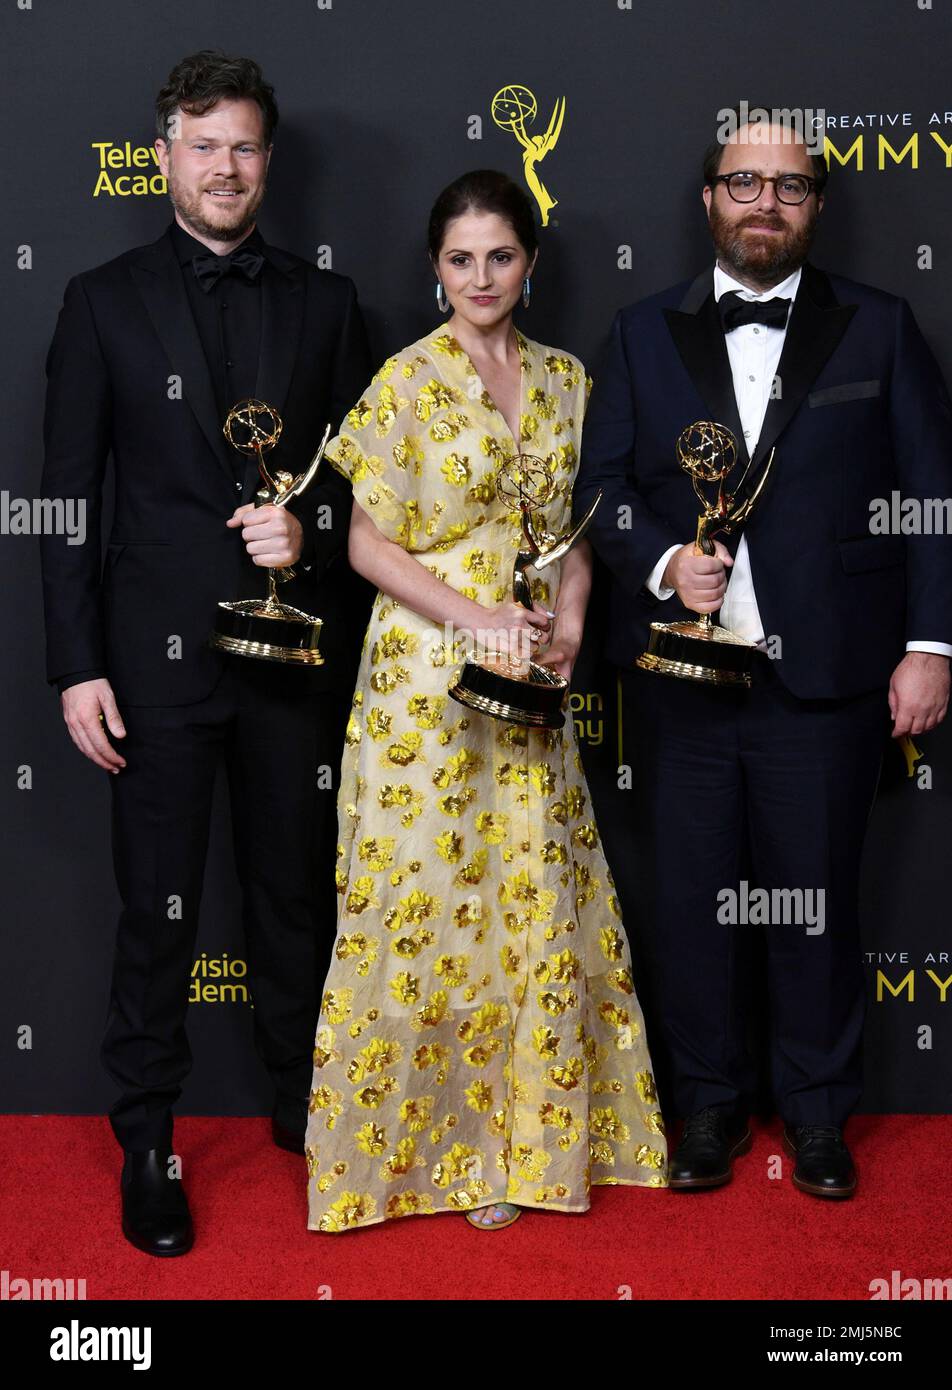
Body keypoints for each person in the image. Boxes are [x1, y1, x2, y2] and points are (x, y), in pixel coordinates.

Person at [573, 106, 952, 1199]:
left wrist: (930, 644)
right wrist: (659, 568)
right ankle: (707, 1111)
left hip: (827, 678)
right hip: (684, 685)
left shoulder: (880, 326)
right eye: (744, 184)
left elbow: (931, 497)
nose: (764, 205)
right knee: (692, 907)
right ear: (708, 199)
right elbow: (599, 490)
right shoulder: (642, 332)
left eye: (787, 187)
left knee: (815, 905)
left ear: (816, 205)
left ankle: (822, 1119)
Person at [39, 50, 373, 1256]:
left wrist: (311, 533)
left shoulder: (328, 306)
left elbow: (364, 497)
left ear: (266, 162)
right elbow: (69, 499)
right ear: (164, 155)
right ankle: (149, 1139)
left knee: (293, 897)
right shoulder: (101, 299)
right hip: (150, 669)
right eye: (202, 144)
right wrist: (76, 664)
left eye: (244, 146)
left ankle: (303, 1109)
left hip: (292, 662)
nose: (224, 166)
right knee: (156, 914)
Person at [303, 169, 667, 1233]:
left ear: (530, 264)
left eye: (499, 256)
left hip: (535, 680)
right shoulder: (405, 379)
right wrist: (475, 616)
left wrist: (568, 623)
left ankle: (532, 1147)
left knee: (530, 903)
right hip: (424, 688)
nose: (479, 277)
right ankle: (433, 1161)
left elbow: (581, 535)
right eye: (459, 259)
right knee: (425, 916)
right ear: (434, 269)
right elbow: (367, 545)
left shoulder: (567, 381)